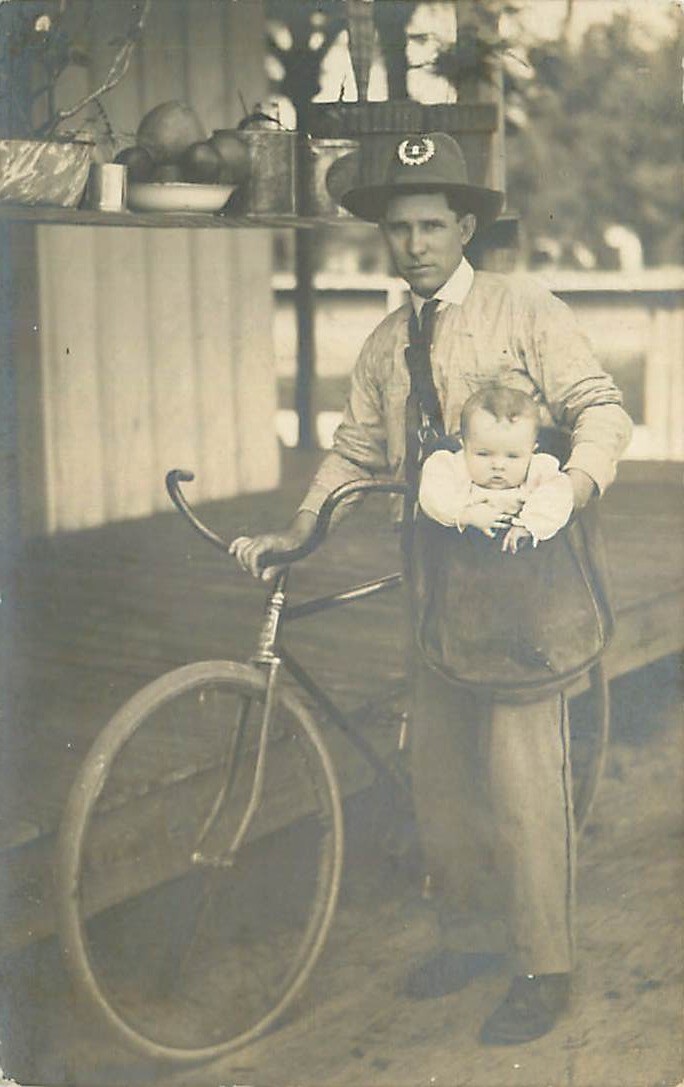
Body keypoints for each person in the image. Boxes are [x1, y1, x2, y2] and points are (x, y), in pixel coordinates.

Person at [230, 132, 632, 1045]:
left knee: (524, 772)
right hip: (433, 582)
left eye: (430, 225)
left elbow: (601, 409)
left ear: (463, 225)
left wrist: (569, 490)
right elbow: (354, 450)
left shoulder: (521, 307)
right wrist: (298, 531)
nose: (412, 243)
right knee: (443, 769)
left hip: (524, 579)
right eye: (397, 228)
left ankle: (544, 963)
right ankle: (471, 934)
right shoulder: (381, 345)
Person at [418, 385, 574, 554]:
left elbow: (559, 494)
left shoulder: (538, 471)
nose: (498, 466)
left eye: (512, 457)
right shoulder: (454, 467)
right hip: (461, 553)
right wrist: (466, 515)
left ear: (532, 451)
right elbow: (433, 493)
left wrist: (529, 525)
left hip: (523, 558)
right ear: (464, 447)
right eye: (483, 454)